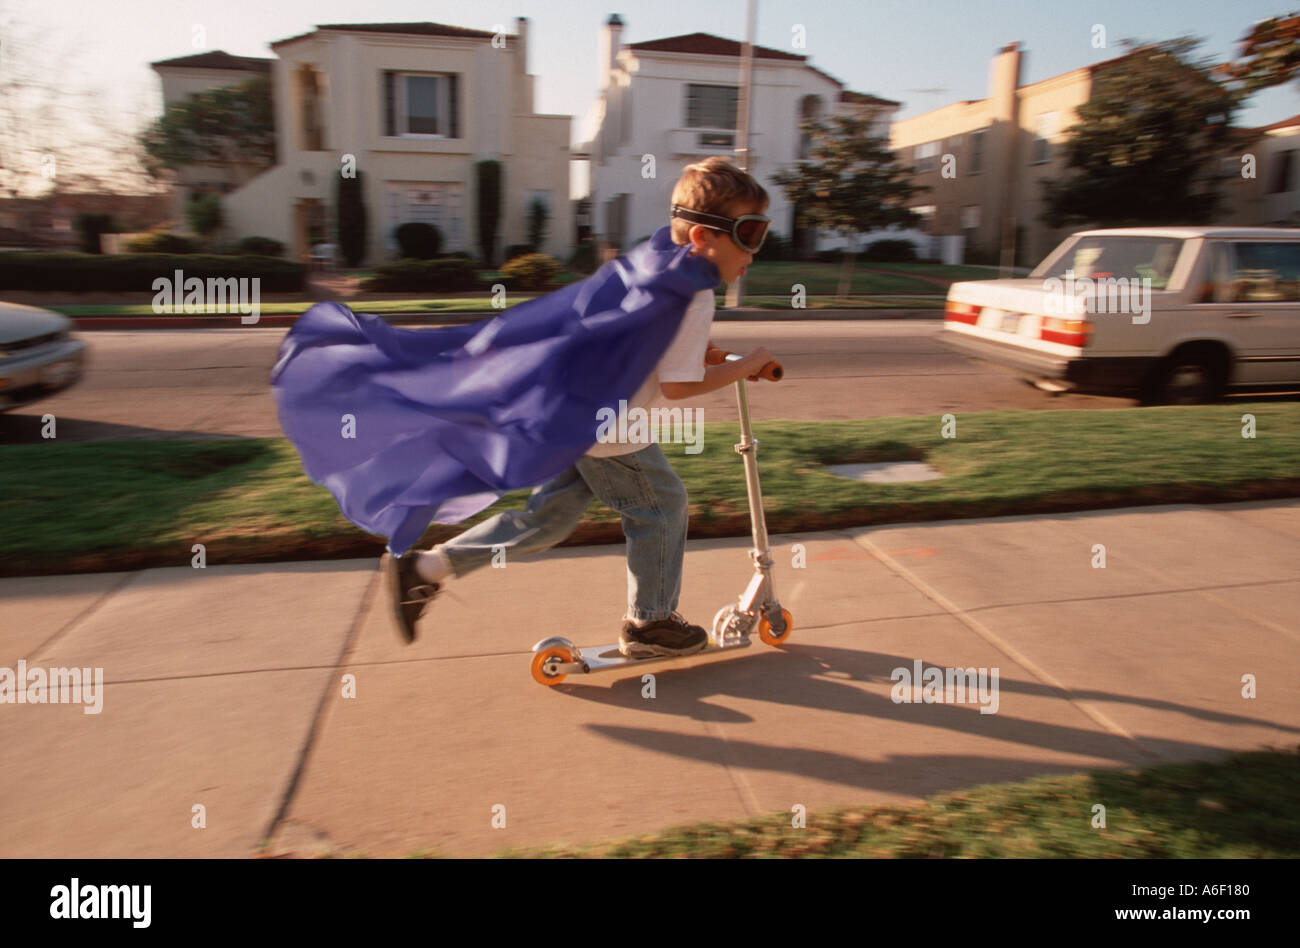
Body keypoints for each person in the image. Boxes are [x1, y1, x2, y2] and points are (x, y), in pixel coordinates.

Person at [383, 157, 776, 656]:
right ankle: (650, 625)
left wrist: (701, 351)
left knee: (548, 521)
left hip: (577, 414)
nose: (755, 251)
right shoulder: (696, 295)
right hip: (614, 430)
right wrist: (747, 365)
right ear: (702, 238)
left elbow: (646, 338)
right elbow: (679, 388)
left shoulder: (654, 263)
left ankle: (424, 568)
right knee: (661, 507)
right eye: (751, 233)